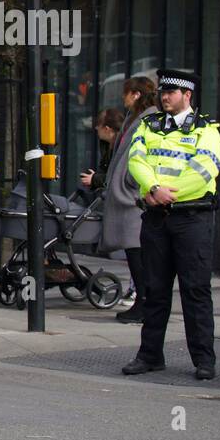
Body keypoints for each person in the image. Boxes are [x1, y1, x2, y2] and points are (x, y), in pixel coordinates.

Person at [122, 69, 220, 380]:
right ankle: (150, 355)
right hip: (156, 219)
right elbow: (136, 160)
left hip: (192, 219)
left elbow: (204, 170)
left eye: (172, 92)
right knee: (153, 289)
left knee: (195, 290)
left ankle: (204, 360)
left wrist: (164, 193)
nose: (165, 97)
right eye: (163, 92)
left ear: (187, 95)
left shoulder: (206, 130)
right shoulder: (148, 126)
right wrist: (152, 189)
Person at [98, 77, 158, 323]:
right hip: (128, 195)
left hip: (133, 197)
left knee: (138, 253)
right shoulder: (135, 118)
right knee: (134, 253)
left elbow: (142, 154)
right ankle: (142, 303)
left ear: (134, 94)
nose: (123, 98)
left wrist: (129, 185)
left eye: (126, 93)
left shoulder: (147, 119)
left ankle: (144, 304)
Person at [80, 108, 125, 192]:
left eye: (99, 126)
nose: (96, 128)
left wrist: (94, 179)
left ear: (107, 129)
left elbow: (118, 176)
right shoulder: (107, 144)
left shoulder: (123, 146)